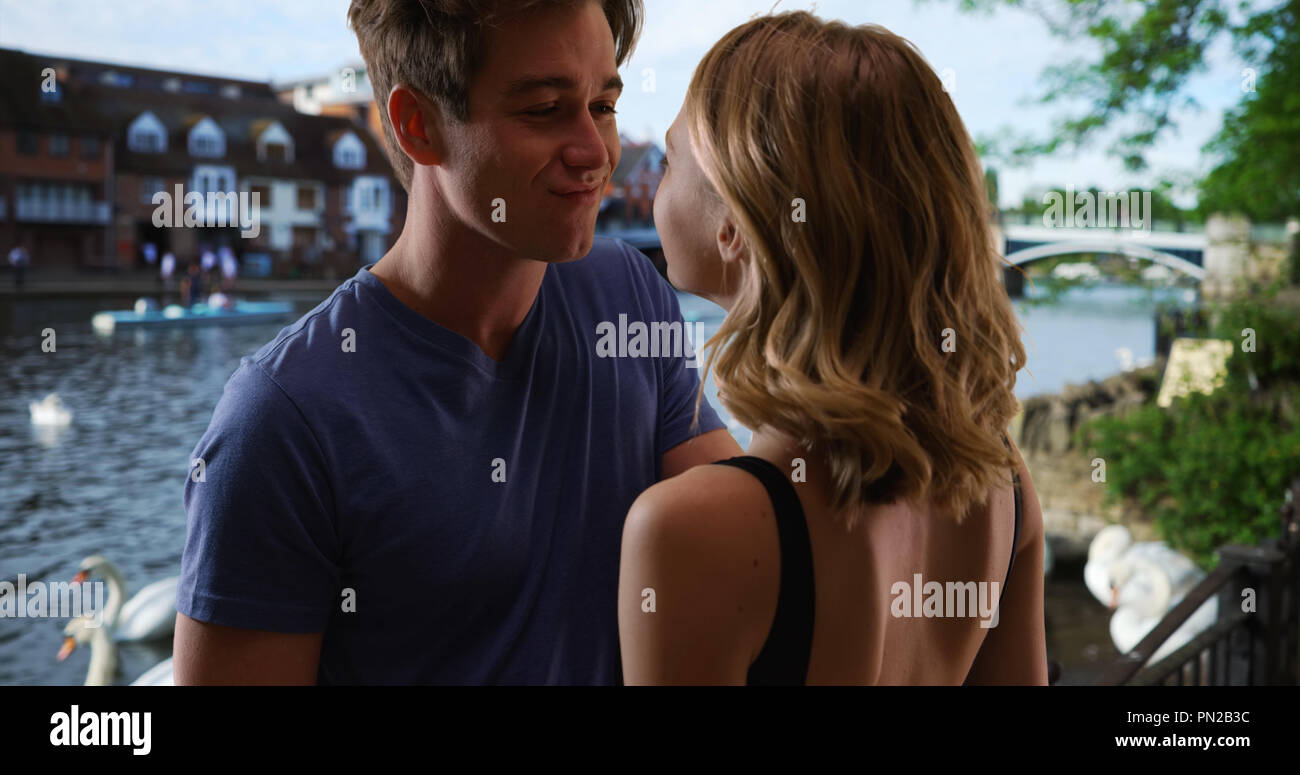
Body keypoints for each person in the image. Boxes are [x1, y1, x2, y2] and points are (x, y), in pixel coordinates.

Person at [174, 0, 739, 685]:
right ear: (419, 125)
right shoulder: (281, 423)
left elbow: (747, 535)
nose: (596, 154)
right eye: (543, 110)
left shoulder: (629, 293)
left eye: (603, 106)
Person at [618, 12, 1047, 685]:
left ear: (734, 224)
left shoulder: (692, 529)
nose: (655, 191)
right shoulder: (1003, 482)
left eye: (670, 159)